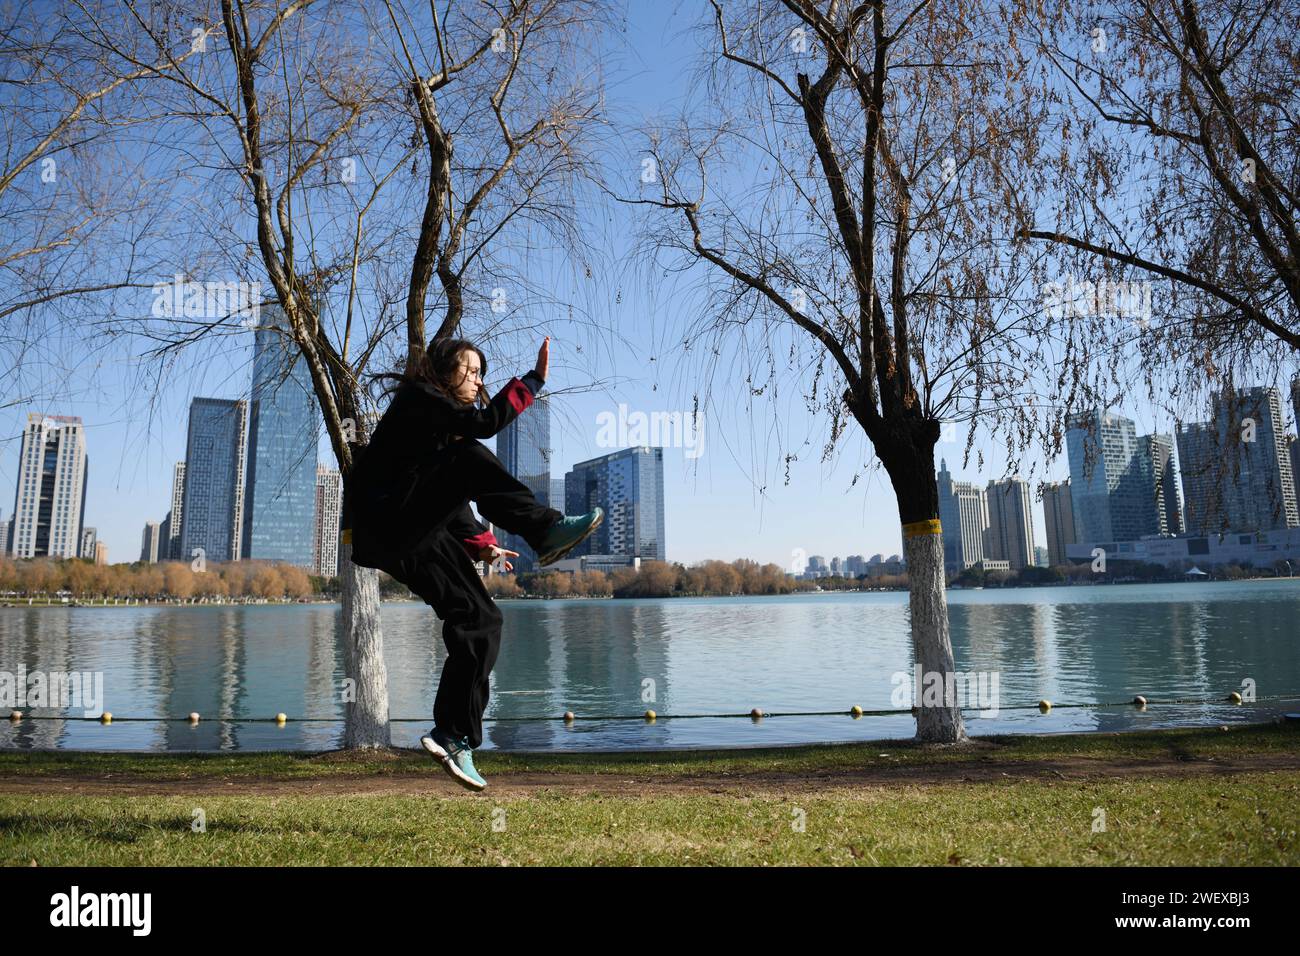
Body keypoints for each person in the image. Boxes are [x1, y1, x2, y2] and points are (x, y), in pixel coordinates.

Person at [342, 335, 603, 791]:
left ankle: (453, 734)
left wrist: (482, 543)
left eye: (482, 374)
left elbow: (447, 493)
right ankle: (545, 531)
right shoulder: (418, 398)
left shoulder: (441, 434)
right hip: (385, 523)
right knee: (468, 455)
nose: (478, 380)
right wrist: (533, 381)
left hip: (412, 535)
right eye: (471, 370)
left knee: (481, 619)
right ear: (443, 371)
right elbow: (483, 428)